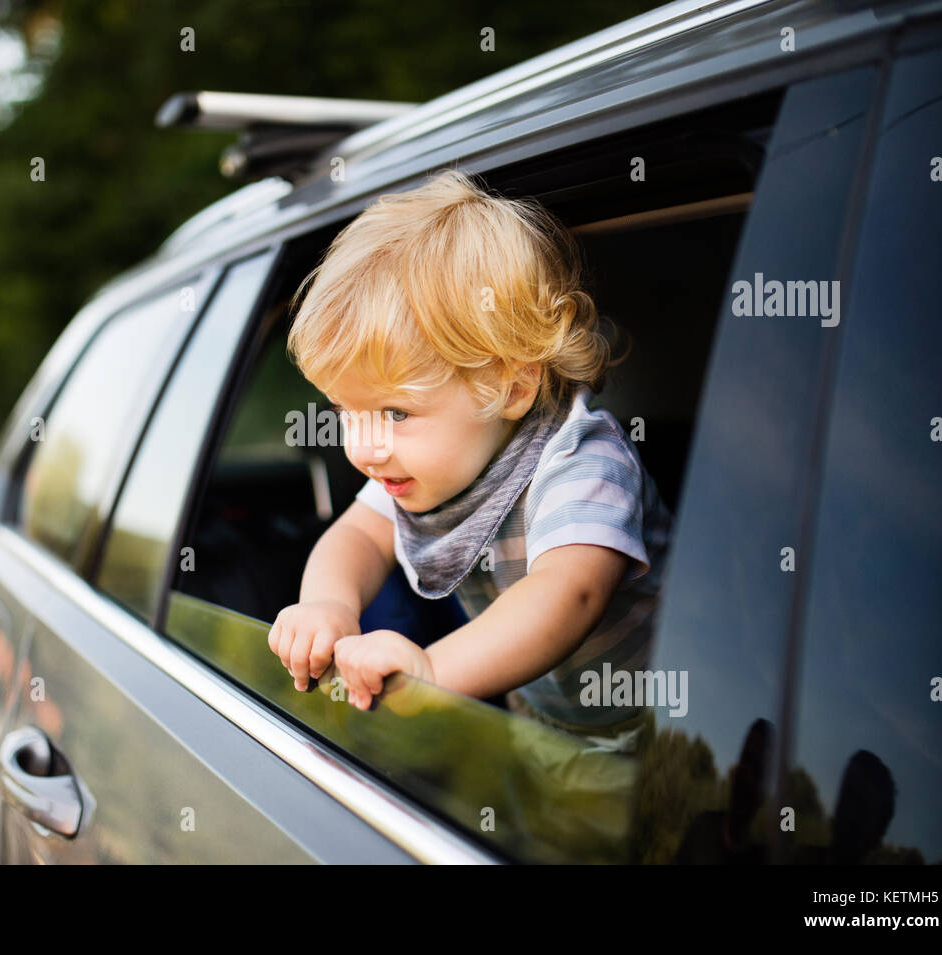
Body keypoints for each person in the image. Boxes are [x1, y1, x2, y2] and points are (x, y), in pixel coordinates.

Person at [267, 167, 670, 752]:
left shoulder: (583, 463)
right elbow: (358, 534)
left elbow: (567, 594)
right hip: (542, 721)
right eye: (345, 411)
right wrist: (327, 605)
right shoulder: (418, 465)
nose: (364, 448)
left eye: (396, 412)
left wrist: (432, 673)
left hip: (656, 733)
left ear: (510, 388)